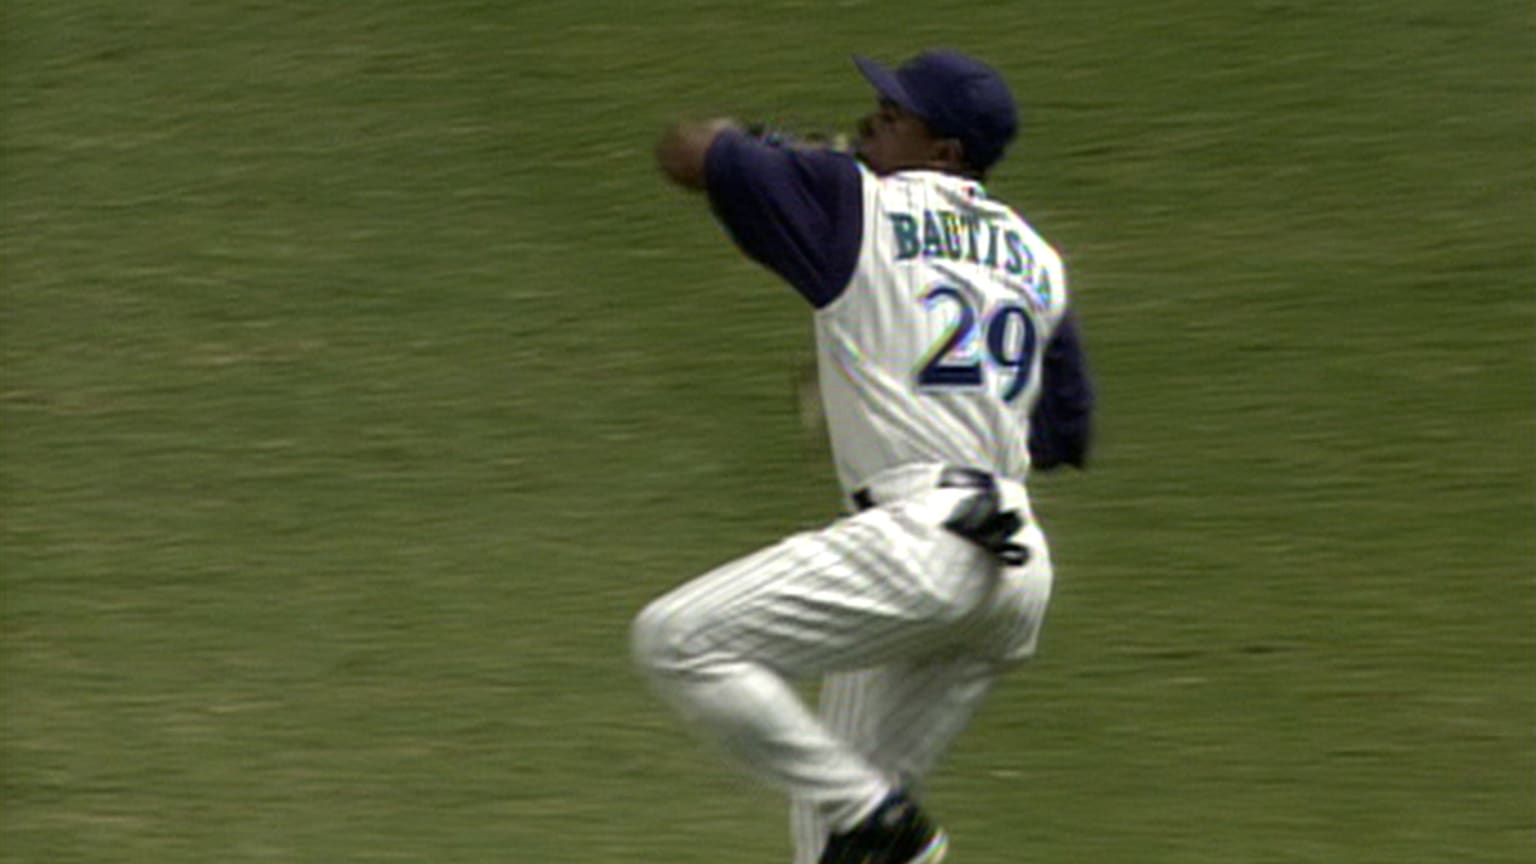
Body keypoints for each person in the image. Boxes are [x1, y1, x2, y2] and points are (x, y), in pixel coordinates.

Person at [632, 49, 1094, 864]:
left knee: (679, 641)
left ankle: (886, 824)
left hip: (920, 545)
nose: (874, 114)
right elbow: (1063, 435)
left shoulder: (857, 201)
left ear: (945, 152)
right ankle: (872, 822)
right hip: (1014, 570)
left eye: (895, 112)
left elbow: (689, 151)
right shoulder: (1040, 261)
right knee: (831, 848)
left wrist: (773, 145)